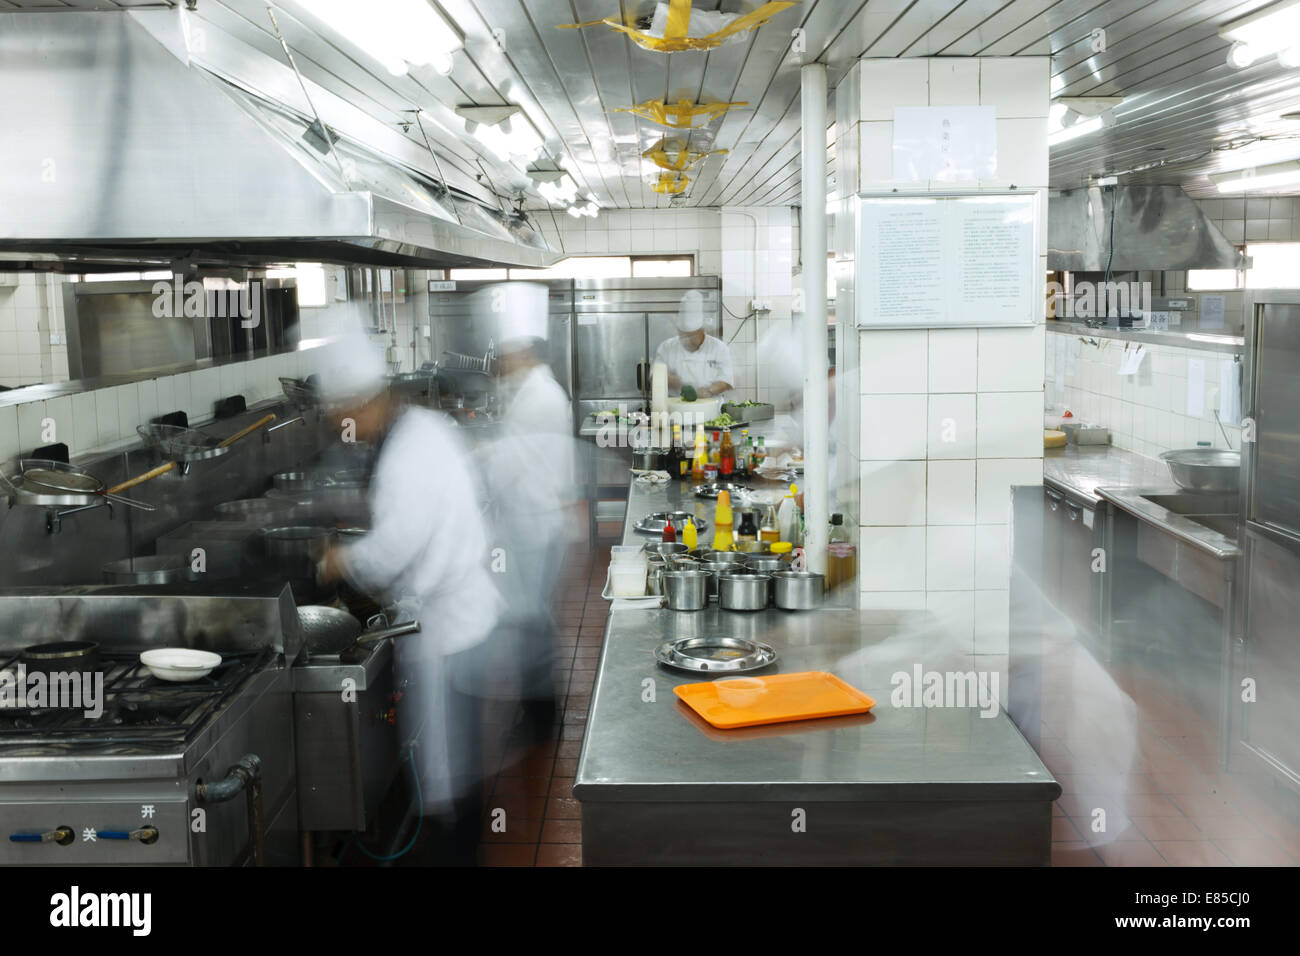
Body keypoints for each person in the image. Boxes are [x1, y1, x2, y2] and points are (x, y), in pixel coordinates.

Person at [318, 327, 501, 866]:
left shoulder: (407, 451)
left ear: (365, 401)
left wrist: (339, 560)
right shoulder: (421, 426)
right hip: (459, 619)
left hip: (447, 627)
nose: (339, 424)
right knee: (453, 768)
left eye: (341, 412)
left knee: (447, 778)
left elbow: (395, 547)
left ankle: (456, 857)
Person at [474, 282, 576, 747]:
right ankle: (537, 713)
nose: (502, 362)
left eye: (507, 354)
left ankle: (539, 723)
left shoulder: (540, 398)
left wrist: (473, 457)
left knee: (533, 622)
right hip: (533, 524)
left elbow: (509, 464)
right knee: (532, 620)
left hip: (535, 527)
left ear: (523, 351)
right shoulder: (534, 390)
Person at [655, 289, 733, 398]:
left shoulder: (719, 348)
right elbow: (654, 376)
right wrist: (668, 379)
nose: (687, 340)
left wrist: (709, 390)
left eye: (691, 336)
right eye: (683, 335)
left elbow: (726, 381)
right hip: (676, 408)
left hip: (710, 408)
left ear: (702, 331)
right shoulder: (667, 347)